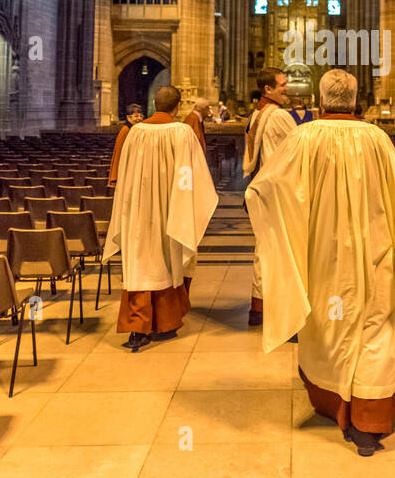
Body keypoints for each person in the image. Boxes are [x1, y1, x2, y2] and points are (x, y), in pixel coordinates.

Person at [246, 69, 395, 456]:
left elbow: (268, 187)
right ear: (356, 100)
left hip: (323, 257)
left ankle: (334, 403)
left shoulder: (303, 137)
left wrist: (269, 214)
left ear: (321, 102)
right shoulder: (377, 139)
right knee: (375, 333)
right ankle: (369, 421)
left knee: (329, 327)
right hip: (378, 254)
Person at [103, 86, 218, 352]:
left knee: (141, 263)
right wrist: (185, 203)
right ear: (177, 107)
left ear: (154, 104)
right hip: (170, 210)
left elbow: (126, 175)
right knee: (167, 261)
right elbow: (190, 175)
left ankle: (138, 326)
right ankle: (165, 322)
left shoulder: (135, 133)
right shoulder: (182, 133)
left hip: (139, 213)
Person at [241, 67, 297, 326]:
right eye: (283, 84)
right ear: (268, 89)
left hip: (261, 190)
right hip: (278, 193)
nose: (287, 88)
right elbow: (295, 155)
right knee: (282, 251)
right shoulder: (279, 117)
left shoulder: (257, 114)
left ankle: (259, 307)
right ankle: (280, 308)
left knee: (264, 249)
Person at [108, 103, 146, 187]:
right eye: (136, 116)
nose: (139, 118)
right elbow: (119, 154)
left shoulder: (134, 129)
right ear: (129, 117)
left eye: (141, 116)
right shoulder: (125, 130)